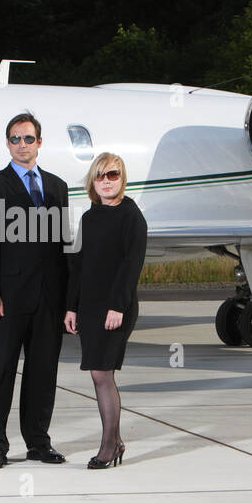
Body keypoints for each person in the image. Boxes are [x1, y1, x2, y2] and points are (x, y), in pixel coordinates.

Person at [0, 112, 70, 469]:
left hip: (49, 298)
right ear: (8, 143)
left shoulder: (57, 187)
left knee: (43, 373)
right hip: (8, 299)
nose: (22, 145)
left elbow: (63, 246)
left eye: (28, 139)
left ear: (39, 143)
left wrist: (68, 301)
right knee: (0, 371)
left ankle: (38, 442)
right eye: (15, 139)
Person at [64, 153, 147, 469]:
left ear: (122, 178)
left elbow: (131, 266)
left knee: (102, 373)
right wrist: (71, 307)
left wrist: (118, 306)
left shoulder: (131, 217)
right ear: (93, 182)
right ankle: (115, 441)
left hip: (115, 307)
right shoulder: (90, 217)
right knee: (99, 374)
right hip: (89, 307)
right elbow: (79, 265)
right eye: (100, 176)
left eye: (113, 175)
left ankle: (109, 445)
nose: (107, 181)